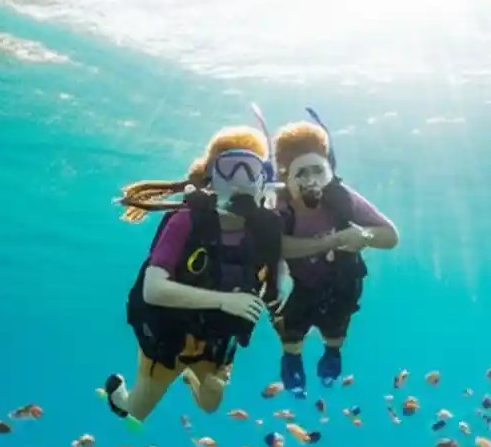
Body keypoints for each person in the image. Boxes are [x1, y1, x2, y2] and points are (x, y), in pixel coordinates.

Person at [102, 122, 284, 425]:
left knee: (211, 403)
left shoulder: (265, 228)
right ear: (211, 175)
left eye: (250, 170)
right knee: (136, 413)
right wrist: (225, 301)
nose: (240, 181)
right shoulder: (185, 221)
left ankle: (192, 378)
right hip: (170, 333)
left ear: (264, 178)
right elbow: (153, 290)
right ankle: (119, 398)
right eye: (229, 168)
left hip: (216, 337)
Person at [271, 111, 399, 395]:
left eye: (317, 170)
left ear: (329, 169)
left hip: (341, 282)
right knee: (290, 330)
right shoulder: (279, 205)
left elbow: (390, 236)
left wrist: (364, 236)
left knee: (336, 329)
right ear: (284, 176)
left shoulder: (343, 198)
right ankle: (292, 357)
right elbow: (274, 246)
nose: (311, 181)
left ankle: (332, 353)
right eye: (300, 173)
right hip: (298, 283)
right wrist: (332, 241)